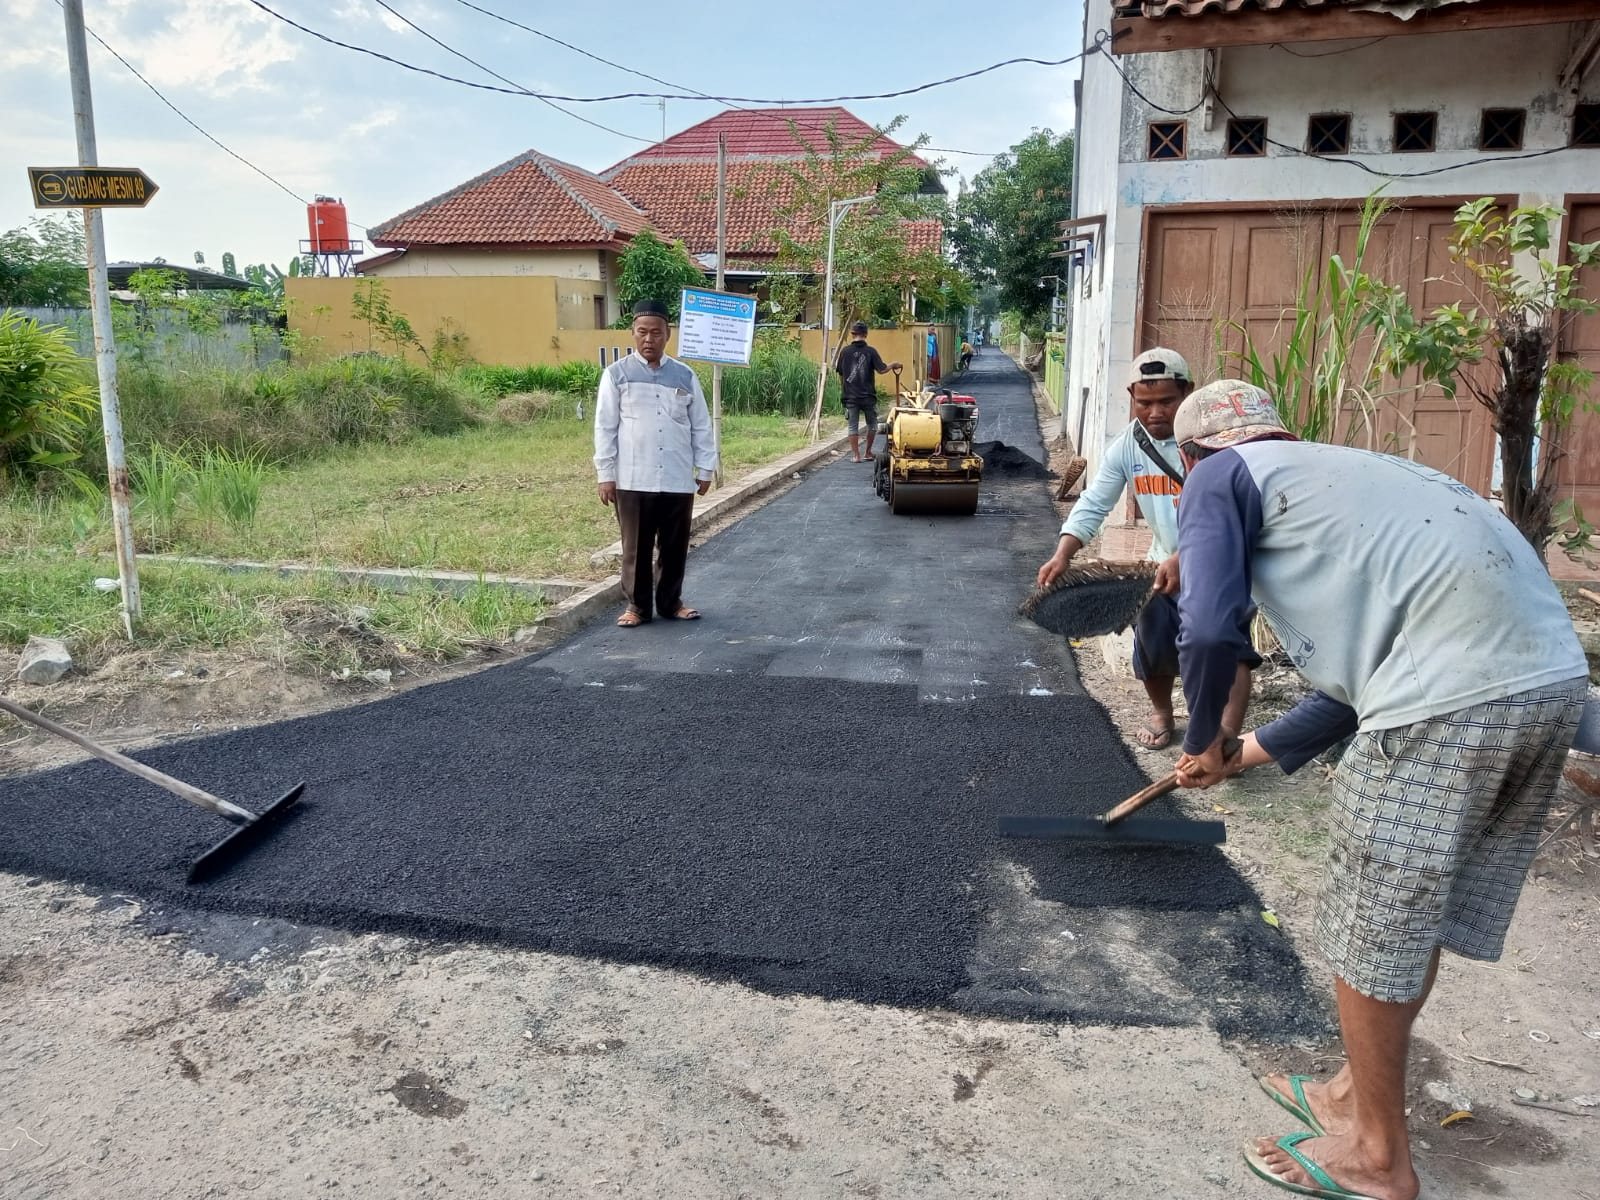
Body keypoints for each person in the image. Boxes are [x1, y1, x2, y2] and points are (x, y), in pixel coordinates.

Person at [1169, 380, 1587, 1200]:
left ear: (1192, 458)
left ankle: (1376, 1156)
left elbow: (1210, 628)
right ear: (1279, 433)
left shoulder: (1216, 477)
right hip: (1547, 687)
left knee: (1375, 922)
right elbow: (1363, 682)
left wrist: (1201, 738)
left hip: (1451, 702)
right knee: (1406, 917)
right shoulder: (1358, 476)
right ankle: (1347, 1094)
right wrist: (1239, 754)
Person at [1035, 347, 1251, 749]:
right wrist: (1064, 552)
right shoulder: (1129, 446)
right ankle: (1162, 712)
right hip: (1161, 564)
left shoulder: (1215, 445)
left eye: (1166, 401)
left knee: (1222, 643)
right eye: (1144, 403)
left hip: (1219, 566)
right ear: (1131, 396)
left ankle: (1225, 736)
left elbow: (1235, 516)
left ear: (1187, 392)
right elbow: (1094, 501)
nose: (1155, 413)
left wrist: (1187, 557)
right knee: (1151, 635)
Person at [593, 299, 717, 628]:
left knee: (674, 546)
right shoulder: (616, 375)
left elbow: (701, 424)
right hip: (633, 477)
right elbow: (605, 427)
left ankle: (671, 602)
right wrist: (605, 474)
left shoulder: (685, 375)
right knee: (636, 547)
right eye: (642, 332)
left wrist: (706, 468)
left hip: (677, 475)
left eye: (656, 333)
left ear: (667, 335)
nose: (649, 339)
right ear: (633, 333)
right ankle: (637, 607)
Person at [834, 321, 901, 463]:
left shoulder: (845, 352)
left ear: (852, 334)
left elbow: (840, 373)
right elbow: (882, 369)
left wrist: (844, 388)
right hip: (868, 396)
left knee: (852, 426)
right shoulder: (871, 351)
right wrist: (893, 365)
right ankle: (868, 452)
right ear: (866, 334)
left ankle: (856, 456)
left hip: (850, 396)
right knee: (872, 425)